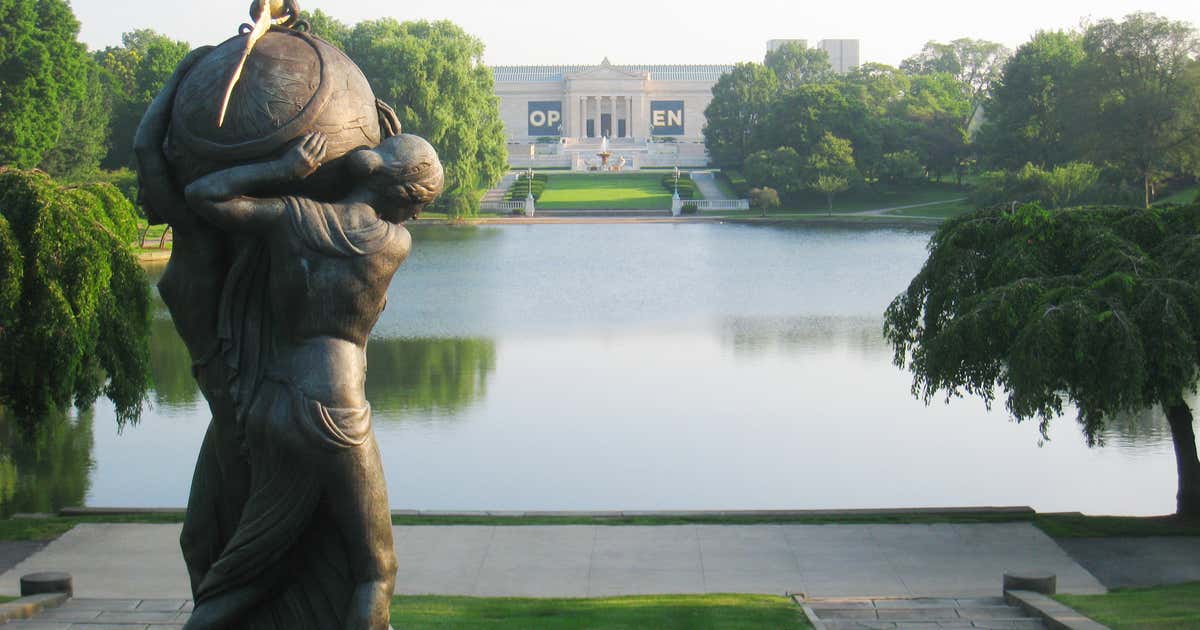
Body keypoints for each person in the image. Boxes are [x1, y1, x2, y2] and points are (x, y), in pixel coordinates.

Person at [178, 131, 442, 629]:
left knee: (254, 572)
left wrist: (282, 166)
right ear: (404, 198)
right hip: (336, 411)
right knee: (376, 573)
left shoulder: (292, 218)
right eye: (420, 203)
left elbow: (204, 194)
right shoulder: (395, 244)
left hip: (271, 402)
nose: (418, 217)